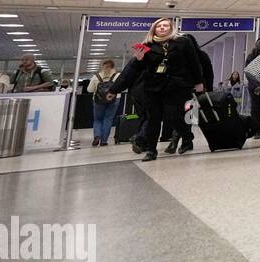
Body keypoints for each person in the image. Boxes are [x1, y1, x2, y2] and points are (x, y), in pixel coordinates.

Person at [126, 17, 207, 162]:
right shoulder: (147, 45)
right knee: (153, 119)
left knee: (174, 116)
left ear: (171, 28)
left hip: (177, 86)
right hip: (153, 87)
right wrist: (139, 59)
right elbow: (139, 69)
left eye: (165, 25)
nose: (162, 28)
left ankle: (187, 137)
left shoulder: (183, 42)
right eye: (159, 26)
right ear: (154, 29)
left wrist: (199, 82)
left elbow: (194, 63)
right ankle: (151, 150)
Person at [87, 59, 122, 146]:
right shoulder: (118, 75)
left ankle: (97, 136)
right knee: (108, 119)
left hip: (98, 100)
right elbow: (123, 88)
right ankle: (104, 141)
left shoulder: (96, 76)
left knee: (97, 119)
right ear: (113, 66)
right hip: (114, 99)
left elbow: (89, 90)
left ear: (102, 66)